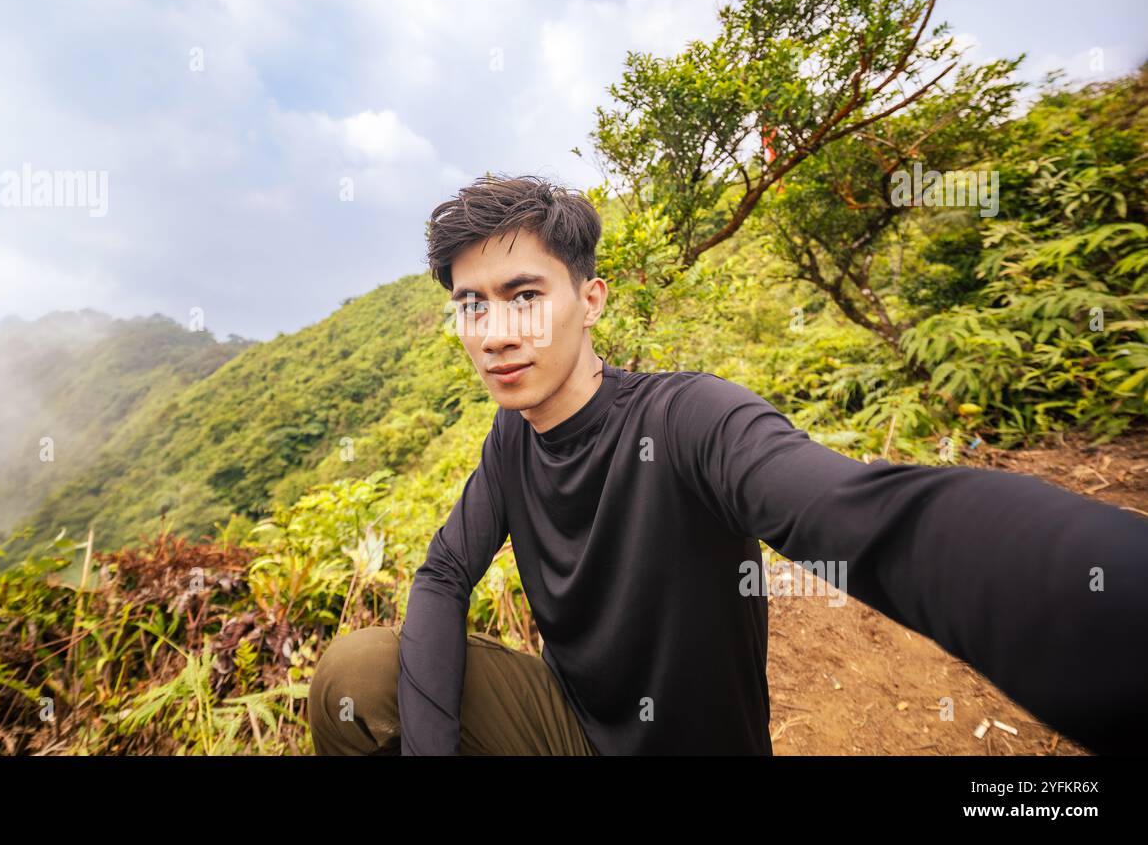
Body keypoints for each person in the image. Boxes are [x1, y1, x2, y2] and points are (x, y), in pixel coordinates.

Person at [307, 173, 1148, 756]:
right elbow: (446, 572)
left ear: (589, 298)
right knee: (359, 675)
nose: (494, 333)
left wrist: (1105, 599)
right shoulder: (511, 438)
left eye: (525, 295)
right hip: (573, 730)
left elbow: (855, 515)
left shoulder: (689, 419)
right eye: (470, 305)